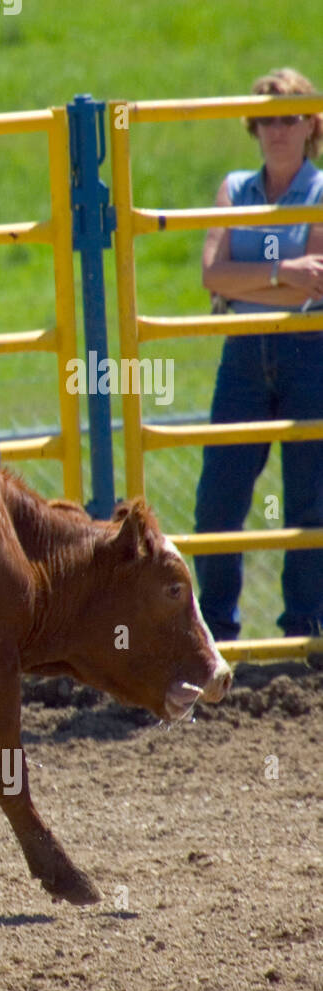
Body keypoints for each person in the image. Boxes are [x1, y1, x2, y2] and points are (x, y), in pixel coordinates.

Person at [195, 67, 323, 641]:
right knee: (218, 500)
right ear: (254, 125)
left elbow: (313, 283)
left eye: (290, 117)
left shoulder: (319, 192)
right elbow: (209, 274)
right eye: (268, 117)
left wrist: (243, 282)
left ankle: (307, 628)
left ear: (310, 126)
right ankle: (217, 628)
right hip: (247, 352)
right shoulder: (234, 188)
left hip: (307, 350)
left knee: (311, 502)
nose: (277, 129)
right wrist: (281, 271)